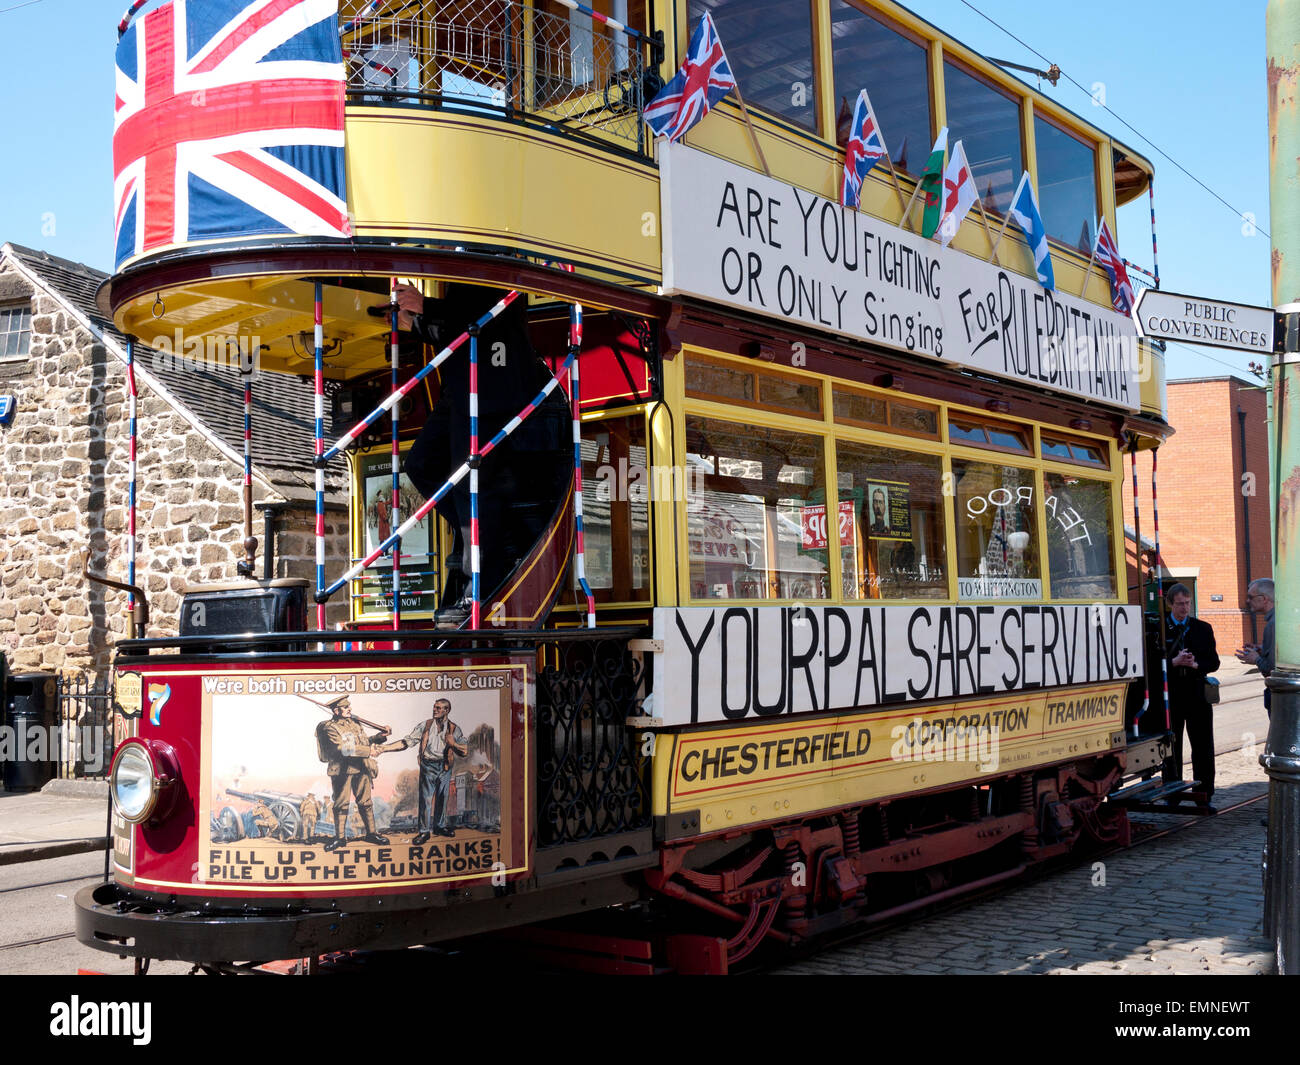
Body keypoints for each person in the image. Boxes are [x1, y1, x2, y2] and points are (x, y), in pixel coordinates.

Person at [385, 282, 569, 618]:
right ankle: (481, 536)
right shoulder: (459, 276)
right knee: (421, 465)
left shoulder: (490, 266)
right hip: (459, 390)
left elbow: (485, 318)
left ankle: (480, 586)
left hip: (490, 395)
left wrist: (426, 306)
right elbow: (465, 333)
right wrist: (419, 323)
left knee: (474, 492)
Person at [375, 697, 467, 843]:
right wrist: (384, 748)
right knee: (426, 799)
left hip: (445, 767)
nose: (434, 710)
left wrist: (453, 744)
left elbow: (464, 751)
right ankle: (424, 832)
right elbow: (407, 742)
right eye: (434, 707)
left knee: (443, 797)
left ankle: (439, 826)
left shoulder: (454, 729)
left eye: (438, 708)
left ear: (446, 710)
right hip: (428, 766)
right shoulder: (425, 725)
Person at [1162, 583, 1221, 805]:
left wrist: (1196, 664)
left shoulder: (1202, 628)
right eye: (1179, 604)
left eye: (1187, 603)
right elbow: (1148, 663)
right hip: (1172, 697)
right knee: (1171, 747)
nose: (1184, 608)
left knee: (1203, 745)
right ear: (1170, 604)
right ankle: (1172, 792)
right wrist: (1173, 662)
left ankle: (1205, 793)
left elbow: (1214, 662)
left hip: (1197, 694)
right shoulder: (1160, 628)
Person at [315, 696, 391, 850]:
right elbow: (344, 749)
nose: (349, 708)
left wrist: (380, 737)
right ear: (336, 711)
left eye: (349, 706)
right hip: (343, 770)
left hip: (361, 767)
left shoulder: (355, 724)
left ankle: (371, 833)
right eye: (345, 707)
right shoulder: (330, 728)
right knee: (341, 804)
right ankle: (340, 838)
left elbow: (363, 742)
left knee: (366, 802)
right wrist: (369, 751)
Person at [1236, 577, 1275, 715]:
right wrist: (1262, 648)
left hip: (1279, 696)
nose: (1247, 601)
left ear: (1263, 599)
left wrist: (1256, 659)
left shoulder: (1273, 624)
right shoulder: (1278, 619)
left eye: (1250, 597)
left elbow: (1271, 670)